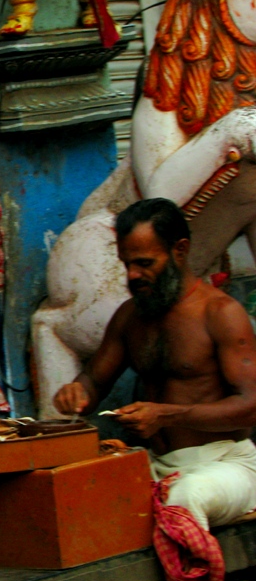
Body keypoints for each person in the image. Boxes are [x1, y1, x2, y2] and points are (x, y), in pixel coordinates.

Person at [53, 197, 256, 531]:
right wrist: (77, 391)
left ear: (180, 250)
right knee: (76, 495)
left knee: (186, 497)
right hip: (157, 464)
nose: (133, 275)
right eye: (126, 264)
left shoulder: (220, 313)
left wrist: (166, 414)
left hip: (224, 464)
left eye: (145, 263)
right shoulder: (130, 317)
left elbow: (250, 408)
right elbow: (94, 381)